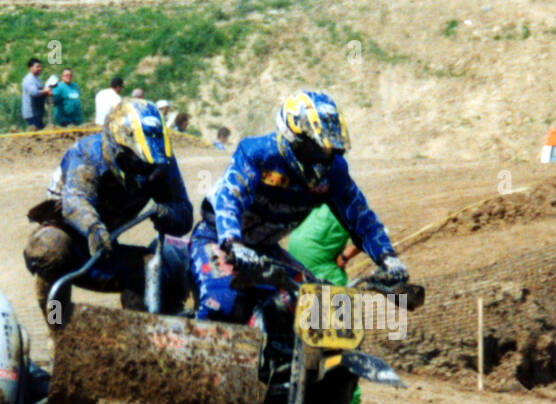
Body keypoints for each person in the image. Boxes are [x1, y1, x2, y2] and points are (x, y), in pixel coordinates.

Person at [187, 90, 406, 323]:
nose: (323, 158)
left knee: (322, 312)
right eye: (315, 149)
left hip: (266, 251)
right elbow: (230, 199)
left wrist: (388, 258)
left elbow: (362, 218)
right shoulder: (259, 153)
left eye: (329, 151)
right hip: (216, 240)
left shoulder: (334, 172)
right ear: (294, 140)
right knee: (222, 305)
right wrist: (233, 243)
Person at [24, 98, 193, 320]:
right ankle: (56, 324)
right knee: (50, 248)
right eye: (133, 161)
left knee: (158, 270)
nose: (141, 169)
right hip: (69, 244)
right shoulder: (86, 153)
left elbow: (184, 213)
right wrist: (93, 228)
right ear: (115, 147)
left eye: (146, 163)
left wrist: (169, 214)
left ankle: (142, 337)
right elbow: (76, 200)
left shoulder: (162, 163)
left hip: (107, 249)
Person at [285, 204, 361, 285]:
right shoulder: (354, 207)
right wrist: (344, 257)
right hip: (315, 262)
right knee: (335, 288)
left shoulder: (324, 197)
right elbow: (367, 237)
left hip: (292, 253)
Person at [21, 58, 54, 130]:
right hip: (31, 114)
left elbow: (41, 91)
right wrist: (46, 90)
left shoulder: (36, 79)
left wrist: (47, 91)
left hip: (38, 113)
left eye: (40, 66)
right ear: (31, 67)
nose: (40, 68)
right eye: (37, 66)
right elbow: (34, 93)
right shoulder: (29, 79)